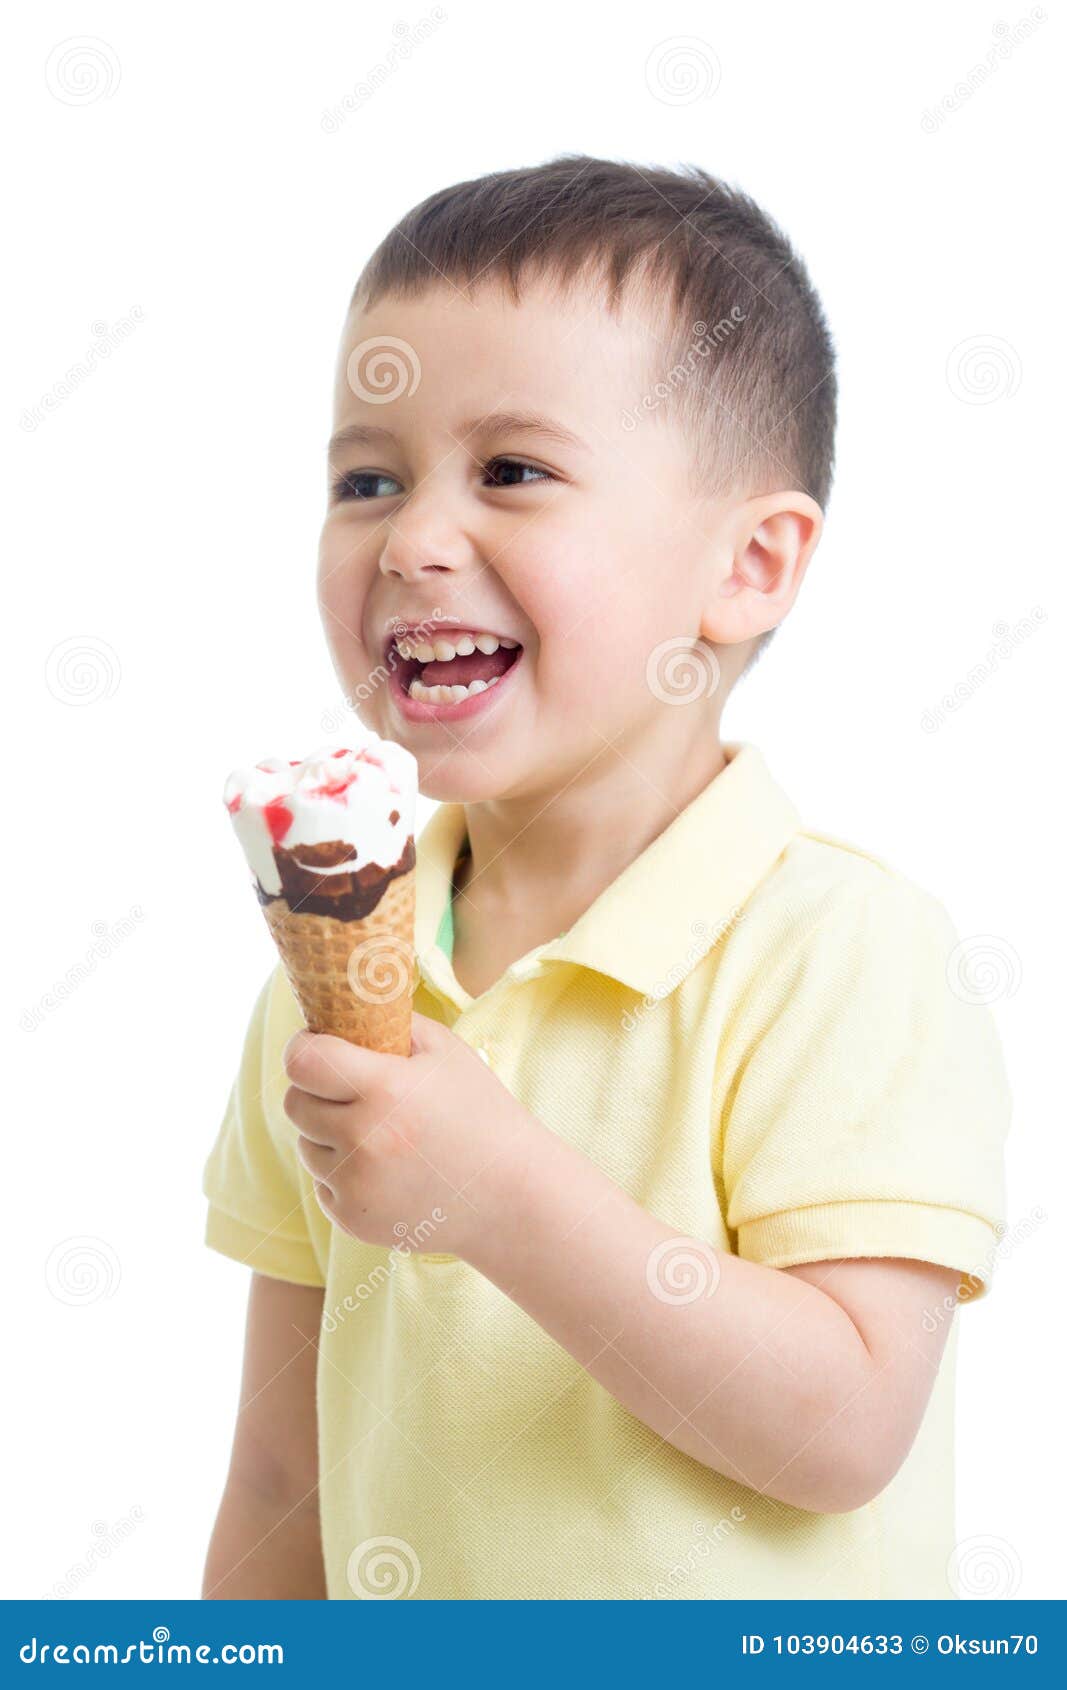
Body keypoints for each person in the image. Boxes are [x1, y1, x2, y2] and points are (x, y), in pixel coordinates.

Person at [202, 155, 1009, 1600]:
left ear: (749, 565)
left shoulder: (843, 948)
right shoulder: (329, 974)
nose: (415, 539)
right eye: (366, 477)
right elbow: (278, 1482)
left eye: (511, 470)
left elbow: (844, 1427)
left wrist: (498, 1191)